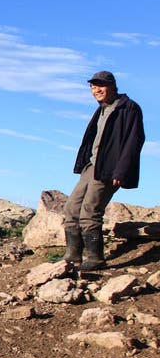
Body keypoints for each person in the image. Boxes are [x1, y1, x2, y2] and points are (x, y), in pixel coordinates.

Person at [62, 70, 145, 271]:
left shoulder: (128, 108)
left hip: (110, 168)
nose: (96, 90)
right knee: (71, 209)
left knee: (90, 211)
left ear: (112, 86)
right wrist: (83, 164)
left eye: (100, 85)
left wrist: (121, 171)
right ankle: (72, 256)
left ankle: (95, 257)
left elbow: (135, 141)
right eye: (92, 86)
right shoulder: (101, 109)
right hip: (92, 166)